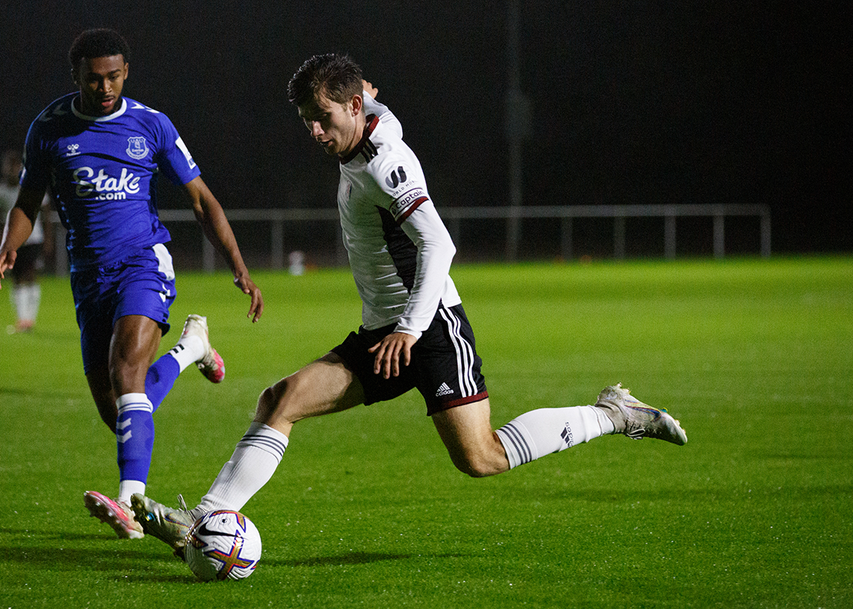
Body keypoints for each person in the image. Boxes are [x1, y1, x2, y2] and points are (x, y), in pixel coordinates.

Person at [129, 54, 686, 557]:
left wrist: (413, 329)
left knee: (481, 458)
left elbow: (439, 244)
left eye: (323, 118)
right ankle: (201, 519)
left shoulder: (384, 161)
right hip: (385, 332)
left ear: (353, 106)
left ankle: (613, 413)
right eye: (307, 121)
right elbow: (372, 107)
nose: (316, 132)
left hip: (431, 328)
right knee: (280, 400)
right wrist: (365, 97)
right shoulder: (369, 123)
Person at [0, 28, 263, 540]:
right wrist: (11, 243)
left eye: (114, 76)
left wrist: (239, 265)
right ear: (76, 76)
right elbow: (28, 200)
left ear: (126, 72)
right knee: (117, 410)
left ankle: (130, 503)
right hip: (88, 277)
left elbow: (202, 200)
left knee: (126, 370)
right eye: (94, 79)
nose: (105, 87)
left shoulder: (151, 125)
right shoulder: (49, 128)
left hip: (143, 263)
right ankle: (190, 349)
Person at [0, 149, 50, 332]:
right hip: (12, 242)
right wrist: (2, 242)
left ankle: (28, 320)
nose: (11, 170)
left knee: (30, 276)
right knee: (16, 278)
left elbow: (46, 212)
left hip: (33, 238)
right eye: (8, 166)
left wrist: (48, 238)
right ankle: (22, 319)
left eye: (15, 166)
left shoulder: (30, 185)